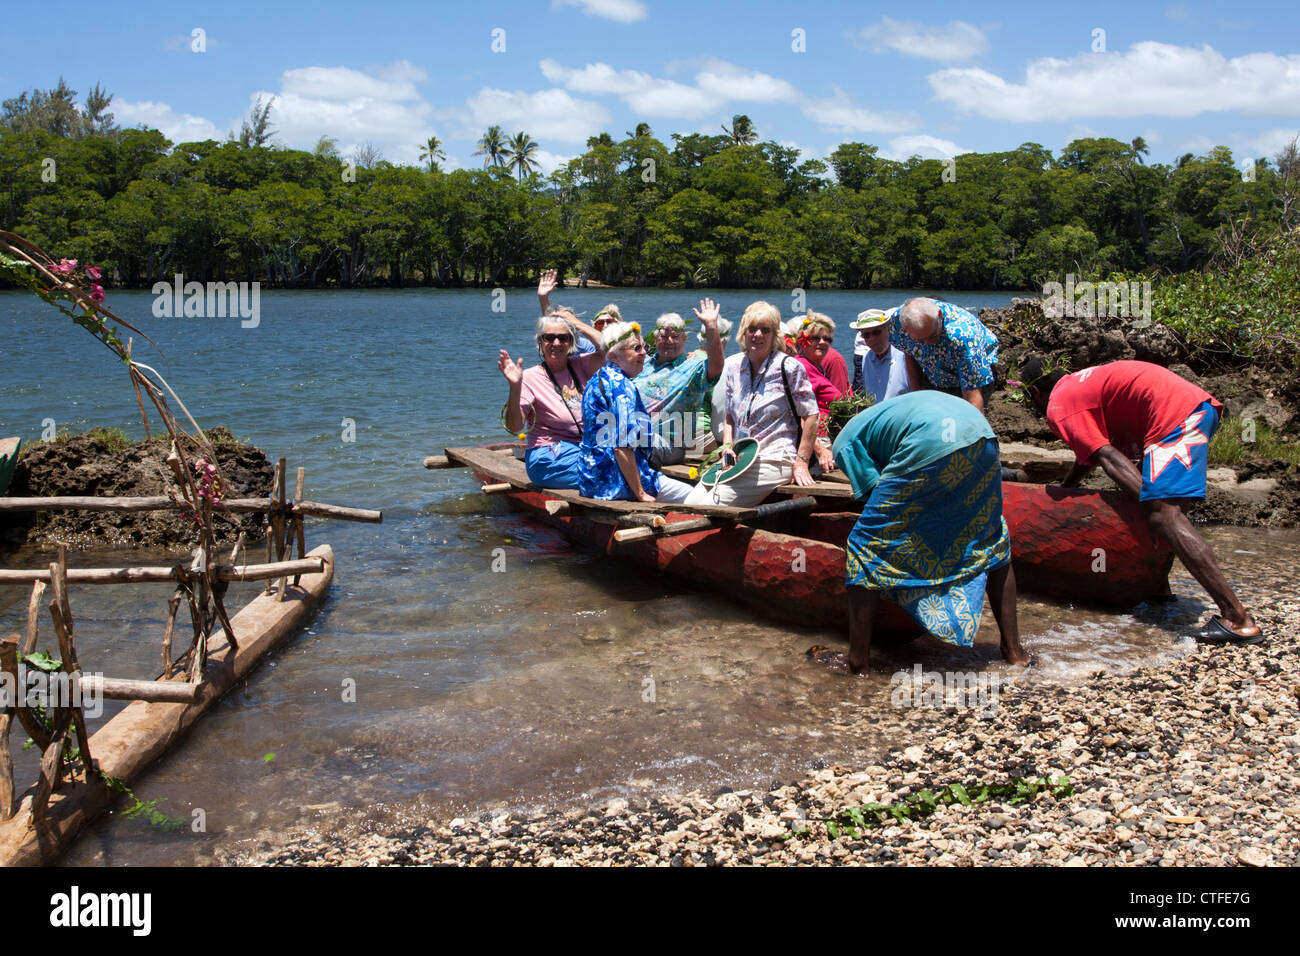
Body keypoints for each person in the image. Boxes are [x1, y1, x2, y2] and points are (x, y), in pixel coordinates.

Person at [1023, 357, 1262, 642]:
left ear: (1035, 394)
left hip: (1175, 416)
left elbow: (1108, 458)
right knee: (1160, 511)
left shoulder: (1058, 406)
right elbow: (1089, 455)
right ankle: (1159, 586)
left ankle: (1237, 618)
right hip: (1196, 408)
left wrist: (1146, 499)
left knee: (1163, 515)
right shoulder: (1078, 386)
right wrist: (1065, 490)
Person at [831, 391, 1031, 675]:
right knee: (991, 539)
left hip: (932, 442)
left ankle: (857, 662)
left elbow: (874, 497)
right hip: (982, 437)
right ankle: (1014, 651)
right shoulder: (889, 412)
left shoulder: (844, 441)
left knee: (865, 545)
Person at [684, 301, 831, 508]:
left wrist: (802, 462)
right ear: (743, 333)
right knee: (690, 503)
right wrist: (727, 447)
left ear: (774, 336)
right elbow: (729, 417)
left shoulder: (788, 367)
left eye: (765, 330)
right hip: (739, 456)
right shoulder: (734, 366)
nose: (758, 335)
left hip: (775, 458)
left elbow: (811, 416)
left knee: (709, 506)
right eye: (752, 329)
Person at [579, 321, 694, 503]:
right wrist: (640, 493)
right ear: (614, 355)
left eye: (644, 347)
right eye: (636, 348)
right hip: (615, 482)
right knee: (692, 495)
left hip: (592, 478)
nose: (644, 353)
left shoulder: (598, 377)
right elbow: (622, 446)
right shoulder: (622, 388)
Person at [499, 309, 605, 489]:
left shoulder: (581, 364)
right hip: (548, 456)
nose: (556, 343)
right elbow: (515, 427)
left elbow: (612, 351)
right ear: (541, 343)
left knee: (625, 463)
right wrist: (515, 386)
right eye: (549, 338)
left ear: (571, 342)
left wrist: (576, 323)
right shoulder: (530, 377)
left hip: (582, 450)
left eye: (563, 338)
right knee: (612, 473)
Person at [634, 301, 724, 468]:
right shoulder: (641, 363)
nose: (669, 341)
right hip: (636, 436)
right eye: (664, 336)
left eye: (675, 337)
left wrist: (711, 327)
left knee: (625, 433)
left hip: (670, 444)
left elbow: (716, 366)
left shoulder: (693, 368)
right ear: (655, 338)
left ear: (684, 339)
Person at [887, 297, 998, 412]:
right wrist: (917, 398)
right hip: (935, 372)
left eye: (932, 336)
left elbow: (973, 396)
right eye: (919, 340)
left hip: (974, 370)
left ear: (939, 315)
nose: (928, 343)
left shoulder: (964, 337)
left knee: (962, 417)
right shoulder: (898, 322)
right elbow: (910, 353)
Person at [536, 267, 620, 354]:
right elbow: (553, 326)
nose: (605, 326)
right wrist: (543, 298)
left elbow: (609, 348)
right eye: (600, 323)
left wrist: (575, 322)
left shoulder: (630, 345)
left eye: (610, 322)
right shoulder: (587, 347)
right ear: (593, 328)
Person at [792, 314, 844, 450]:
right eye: (815, 338)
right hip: (817, 439)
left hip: (823, 434)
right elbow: (798, 413)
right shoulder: (802, 367)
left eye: (827, 339)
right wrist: (820, 450)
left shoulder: (816, 367)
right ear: (802, 342)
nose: (822, 342)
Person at [851, 308, 910, 403]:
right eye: (866, 335)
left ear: (889, 330)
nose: (872, 339)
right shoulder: (867, 358)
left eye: (876, 332)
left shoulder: (904, 356)